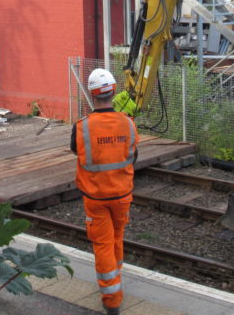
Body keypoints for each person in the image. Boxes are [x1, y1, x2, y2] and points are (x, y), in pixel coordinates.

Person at [70, 68, 140, 315]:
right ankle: (116, 283)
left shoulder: (82, 127)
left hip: (96, 198)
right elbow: (132, 156)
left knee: (103, 245)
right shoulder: (129, 124)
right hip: (122, 196)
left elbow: (76, 151)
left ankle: (112, 301)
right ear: (113, 91)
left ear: (92, 94)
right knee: (117, 239)